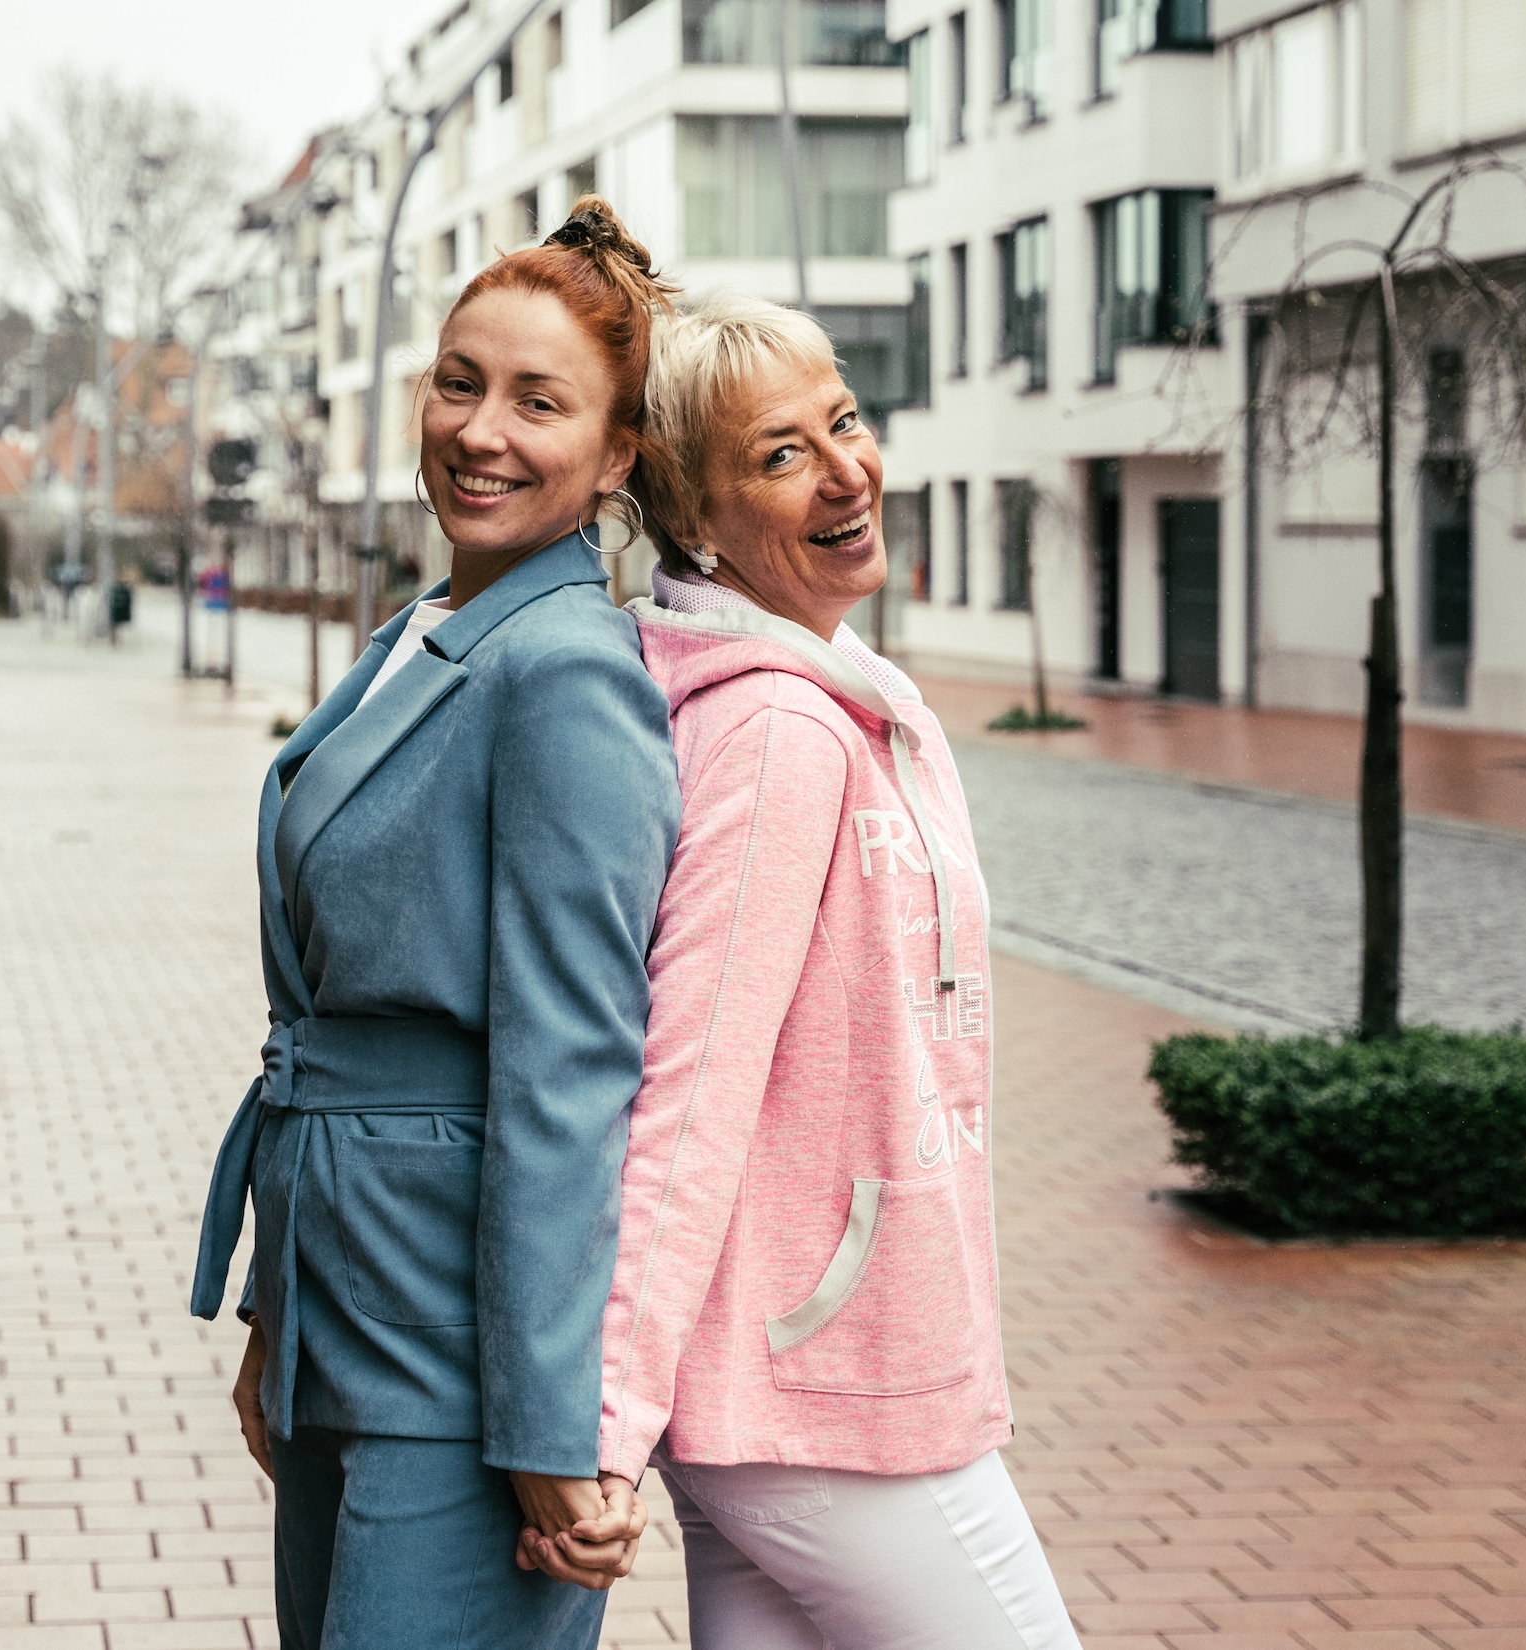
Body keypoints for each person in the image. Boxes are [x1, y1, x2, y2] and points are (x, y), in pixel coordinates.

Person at [529, 289, 1082, 1648]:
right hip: (822, 1395)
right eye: (782, 453)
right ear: (699, 522)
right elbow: (689, 1083)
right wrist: (602, 1421)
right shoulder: (783, 731)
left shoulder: (838, 693)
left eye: (844, 421)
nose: (847, 472)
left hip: (791, 1372)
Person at [189, 197, 681, 1650]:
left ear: (618, 453)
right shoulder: (424, 632)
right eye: (460, 382)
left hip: (462, 1357)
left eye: (541, 401)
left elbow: (570, 1069)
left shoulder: (566, 673)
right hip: (350, 1299)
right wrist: (285, 1317)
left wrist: (544, 1424)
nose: (482, 429)